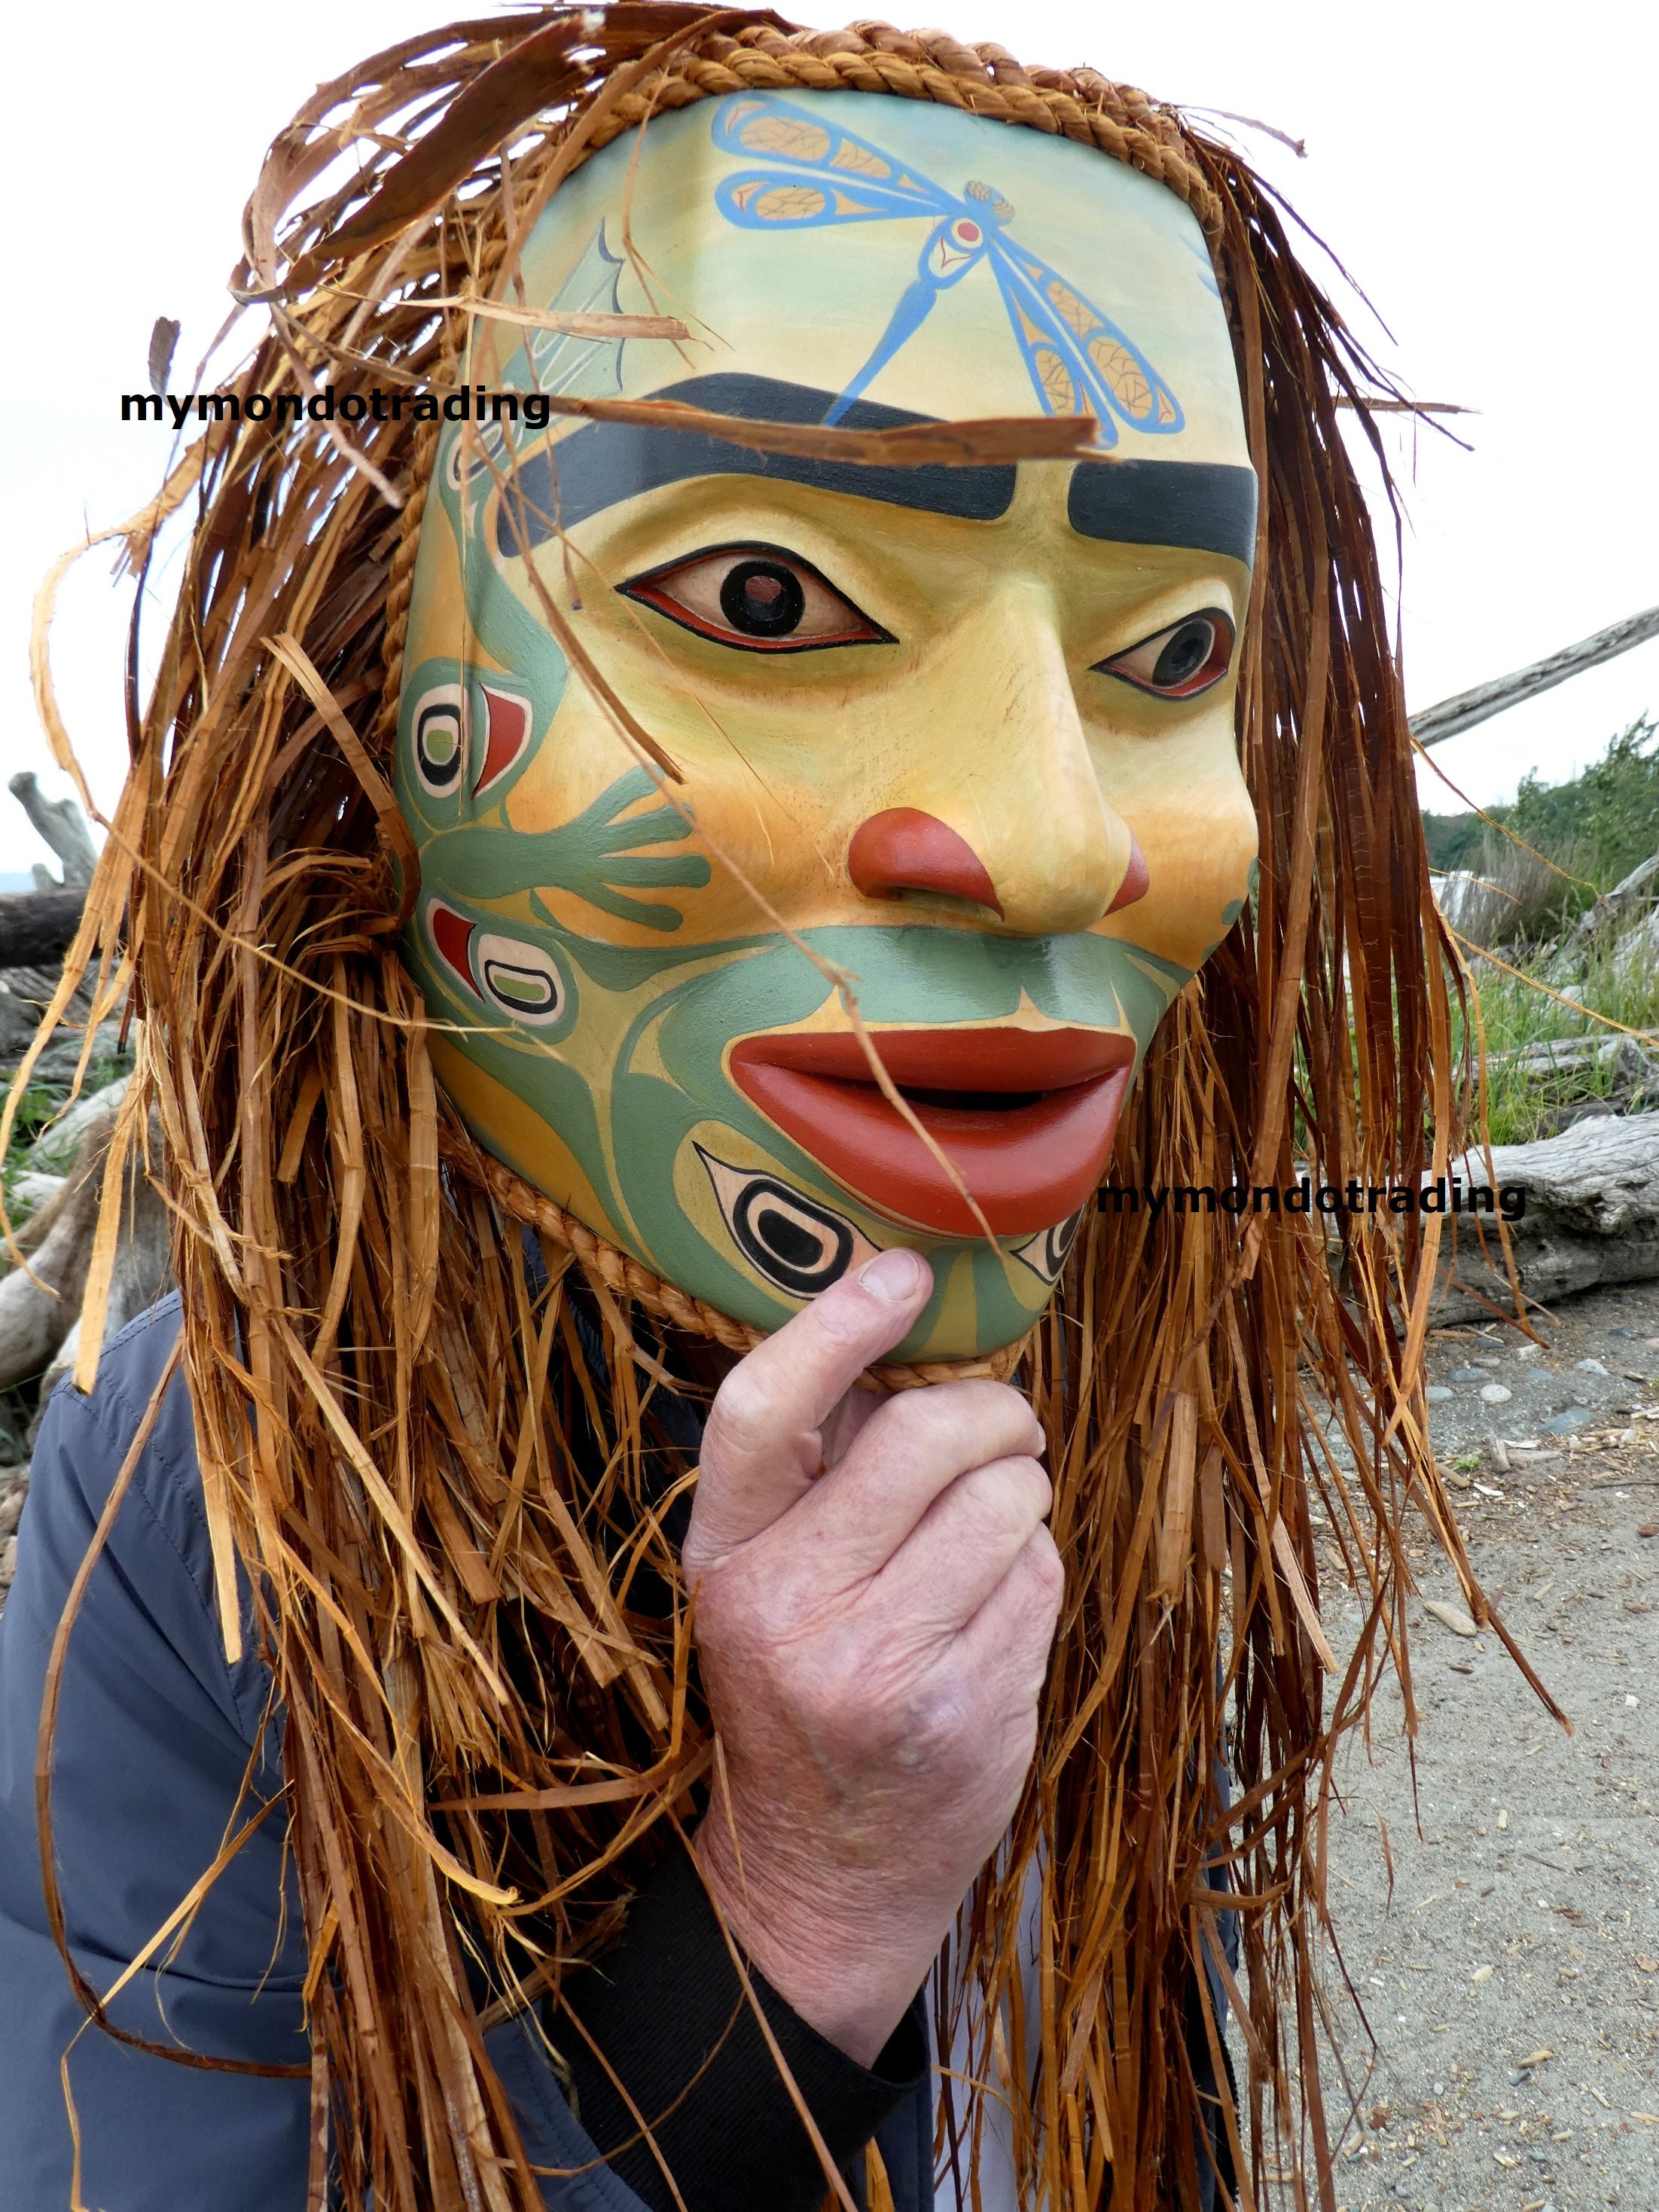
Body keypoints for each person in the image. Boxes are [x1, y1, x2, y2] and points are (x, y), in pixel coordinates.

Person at [0, 11, 1460, 2207]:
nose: (1060, 842)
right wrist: (792, 1921)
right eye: (770, 595)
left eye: (1166, 654)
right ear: (382, 724)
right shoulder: (196, 1495)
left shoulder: (1148, 1368)